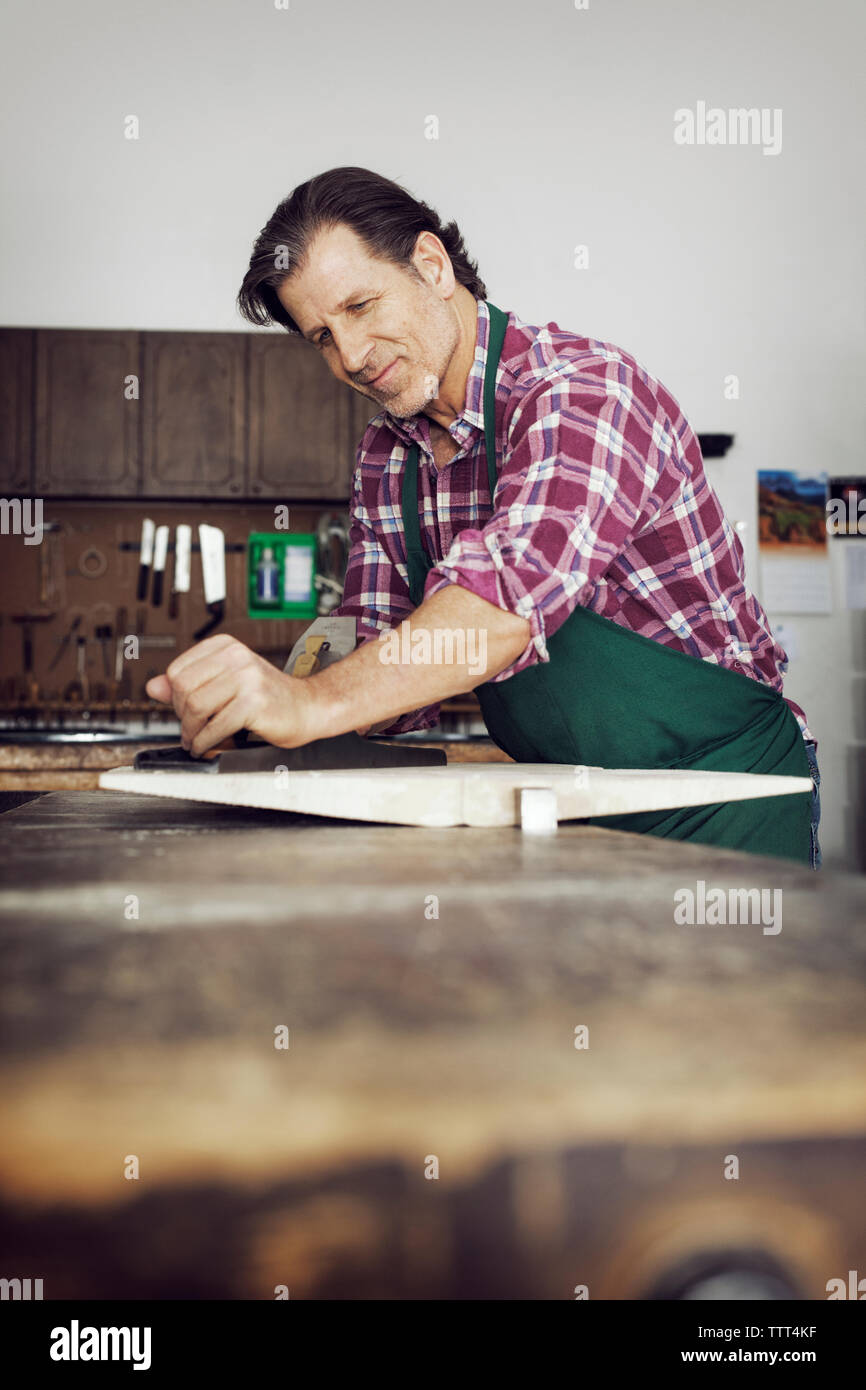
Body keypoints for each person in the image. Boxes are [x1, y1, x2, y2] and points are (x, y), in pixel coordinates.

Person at [146, 167, 821, 867]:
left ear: (432, 266)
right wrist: (272, 708)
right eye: (321, 336)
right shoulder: (386, 456)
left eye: (361, 305)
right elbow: (383, 663)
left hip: (727, 802)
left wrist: (308, 706)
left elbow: (501, 611)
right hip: (575, 812)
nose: (348, 356)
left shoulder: (584, 394)